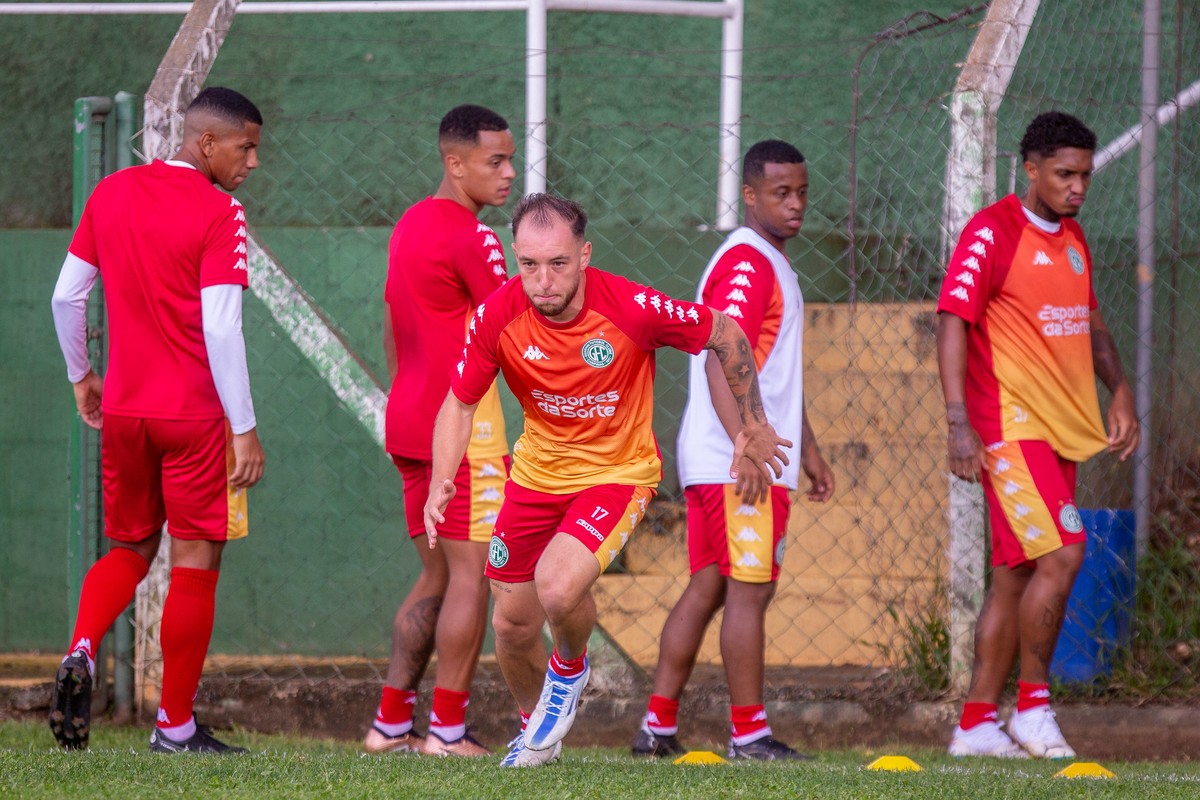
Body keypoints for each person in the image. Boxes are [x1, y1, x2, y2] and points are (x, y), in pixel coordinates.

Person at [423, 192, 793, 768]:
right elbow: (460, 403)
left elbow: (725, 332)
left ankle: (569, 669)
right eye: (529, 264)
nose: (542, 280)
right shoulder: (498, 314)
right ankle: (533, 730)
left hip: (617, 476)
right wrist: (441, 479)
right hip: (537, 477)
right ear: (514, 256)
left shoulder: (632, 307)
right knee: (512, 621)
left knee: (557, 585)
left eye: (559, 264)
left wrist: (752, 424)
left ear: (585, 254)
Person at [48, 86, 266, 753]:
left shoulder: (110, 193)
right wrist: (244, 426)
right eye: (246, 146)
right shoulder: (221, 212)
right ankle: (174, 726)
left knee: (130, 550)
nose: (252, 162)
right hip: (196, 417)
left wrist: (82, 376)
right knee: (197, 561)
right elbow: (222, 330)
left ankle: (82, 646)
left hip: (124, 411)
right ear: (206, 142)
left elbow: (65, 297)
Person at [937, 111, 1138, 759]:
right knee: (1065, 553)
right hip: (1007, 426)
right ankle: (1032, 708)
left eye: (1085, 175)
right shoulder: (991, 232)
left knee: (1016, 575)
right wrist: (958, 424)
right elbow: (952, 321)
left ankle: (973, 725)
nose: (1077, 186)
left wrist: (1123, 390)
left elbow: (1090, 320)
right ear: (1030, 168)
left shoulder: (1074, 239)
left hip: (1058, 433)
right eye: (1063, 174)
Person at [631, 140, 834, 761]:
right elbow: (726, 353)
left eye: (801, 192)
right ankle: (749, 735)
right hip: (735, 460)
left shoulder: (768, 259)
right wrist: (746, 442)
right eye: (780, 193)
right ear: (750, 196)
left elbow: (769, 369)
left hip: (733, 452)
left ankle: (655, 728)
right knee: (750, 588)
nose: (795, 204)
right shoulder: (748, 262)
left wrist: (810, 448)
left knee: (712, 584)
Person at [365, 104, 517, 758]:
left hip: (406, 419)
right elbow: (513, 331)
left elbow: (392, 323)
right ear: (455, 164)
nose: (508, 173)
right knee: (471, 578)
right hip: (463, 428)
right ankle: (448, 732)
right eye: (495, 162)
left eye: (510, 159)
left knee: (436, 577)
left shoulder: (408, 225)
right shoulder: (474, 237)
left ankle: (390, 724)